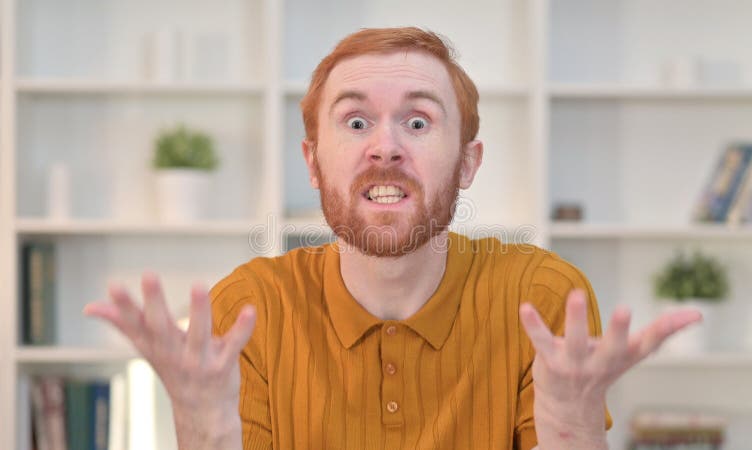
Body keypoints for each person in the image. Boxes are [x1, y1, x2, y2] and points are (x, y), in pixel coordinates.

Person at [84, 27, 701, 450]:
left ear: (467, 162)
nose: (385, 146)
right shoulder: (248, 311)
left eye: (418, 121)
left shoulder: (541, 298)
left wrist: (571, 427)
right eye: (356, 121)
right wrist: (203, 430)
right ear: (313, 162)